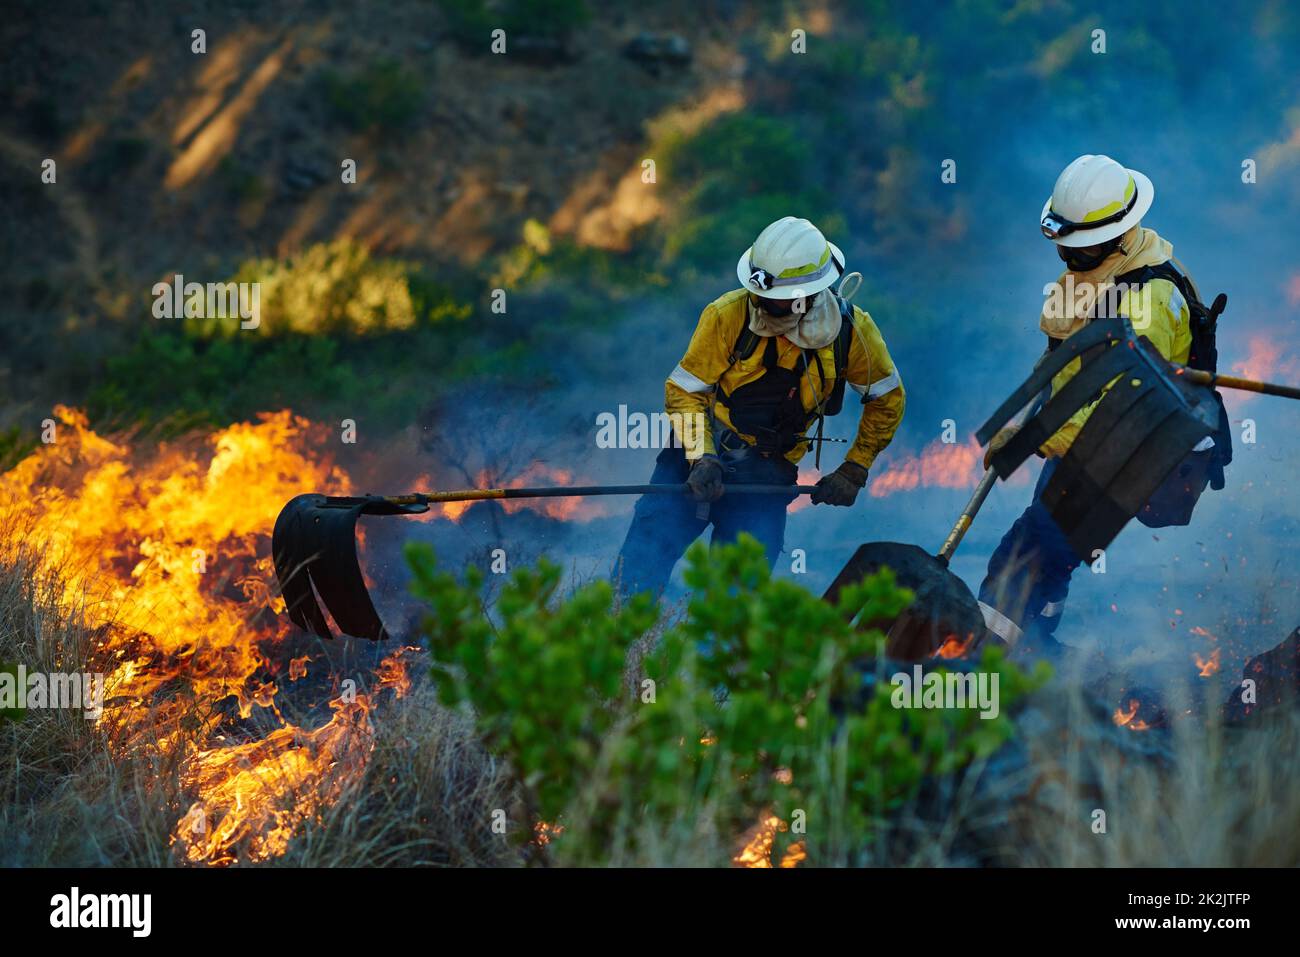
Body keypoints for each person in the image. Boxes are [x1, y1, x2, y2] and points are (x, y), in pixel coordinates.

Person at [978, 154, 1225, 656]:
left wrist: (1032, 439)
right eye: (1065, 247)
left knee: (1021, 561)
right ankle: (1041, 650)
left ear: (1119, 233)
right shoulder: (1103, 271)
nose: (1069, 259)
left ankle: (993, 666)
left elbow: (1122, 401)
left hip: (1126, 454)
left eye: (1080, 249)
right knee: (1048, 556)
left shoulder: (1150, 297)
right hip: (1081, 449)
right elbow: (1067, 360)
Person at [614, 216, 904, 599]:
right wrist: (702, 457)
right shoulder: (726, 315)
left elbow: (887, 399)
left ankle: (714, 660)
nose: (760, 303)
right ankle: (622, 656)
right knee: (635, 579)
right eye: (758, 294)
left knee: (735, 606)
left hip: (766, 477)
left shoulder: (852, 332)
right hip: (694, 462)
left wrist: (855, 468)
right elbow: (685, 391)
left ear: (809, 294)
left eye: (773, 300)